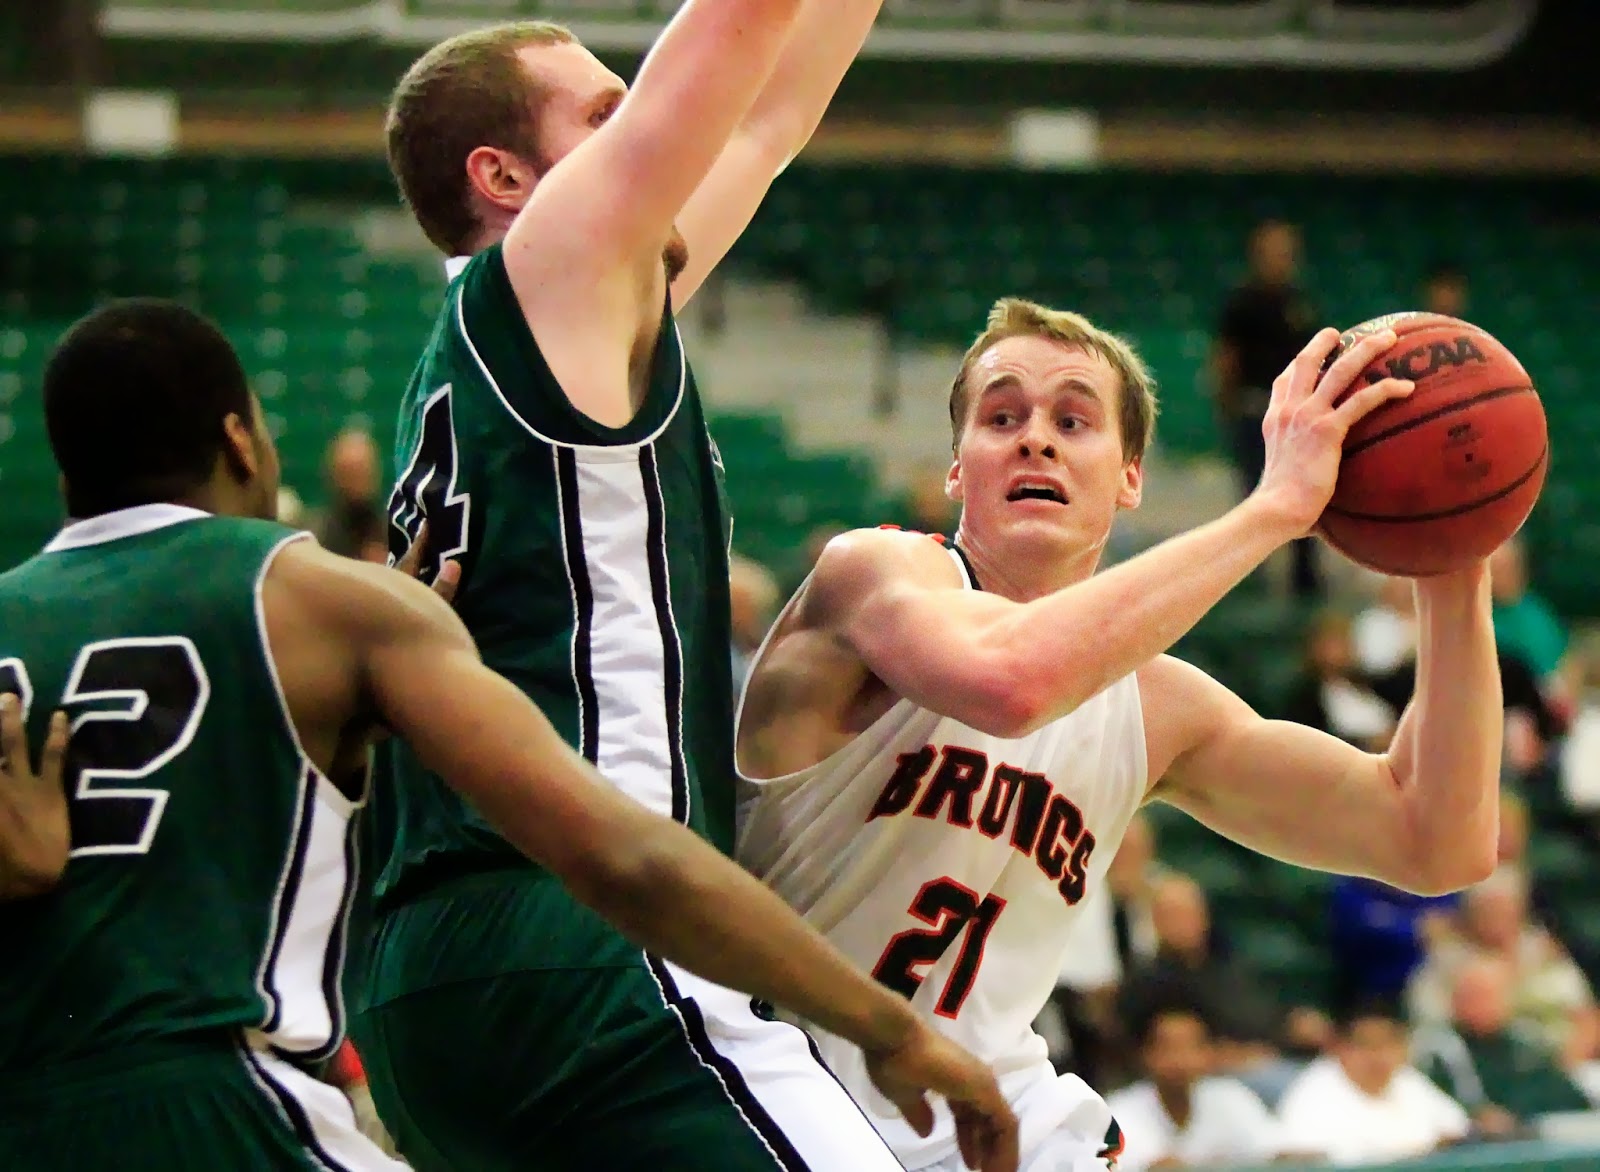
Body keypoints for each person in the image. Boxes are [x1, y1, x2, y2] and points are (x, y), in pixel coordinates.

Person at [0, 300, 1017, 1172]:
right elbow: (620, 852)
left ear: (65, 477)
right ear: (240, 442)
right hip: (225, 1105)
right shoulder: (323, 603)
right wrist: (881, 1023)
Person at [358, 8, 951, 1172]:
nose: (650, 134)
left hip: (425, 973)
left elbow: (770, 120)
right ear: (505, 177)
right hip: (583, 917)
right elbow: (737, 33)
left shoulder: (510, 339)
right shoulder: (553, 271)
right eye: (605, 115)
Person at [735, 296, 1504, 1172]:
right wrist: (1273, 510)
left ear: (1130, 477)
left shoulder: (1155, 707)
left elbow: (1435, 839)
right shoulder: (874, 574)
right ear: (957, 468)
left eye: (1072, 418)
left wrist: (1455, 555)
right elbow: (1009, 681)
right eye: (1001, 417)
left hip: (991, 1115)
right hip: (770, 1086)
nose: (1035, 438)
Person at [1211, 219, 1321, 597]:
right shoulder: (1242, 302)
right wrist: (1228, 402)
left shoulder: (1301, 302)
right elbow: (1226, 357)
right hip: (1254, 410)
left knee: (1304, 496)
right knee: (1255, 495)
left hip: (1297, 414)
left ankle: (1305, 581)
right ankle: (1249, 581)